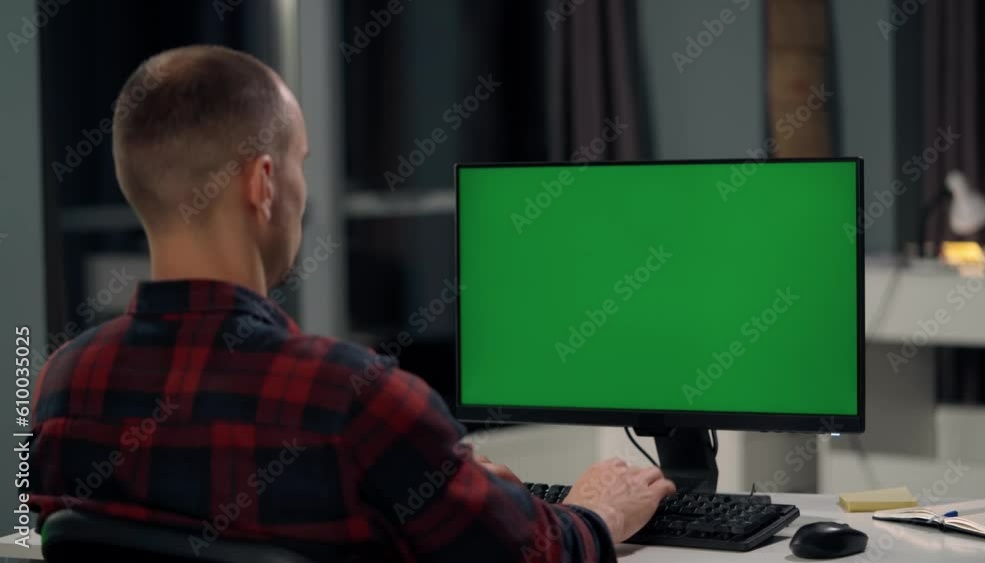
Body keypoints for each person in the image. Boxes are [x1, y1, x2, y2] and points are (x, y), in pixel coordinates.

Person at [26, 45, 675, 563]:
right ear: (264, 182)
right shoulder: (355, 398)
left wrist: (439, 475)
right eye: (300, 162)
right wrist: (597, 512)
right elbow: (530, 553)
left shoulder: (62, 384)